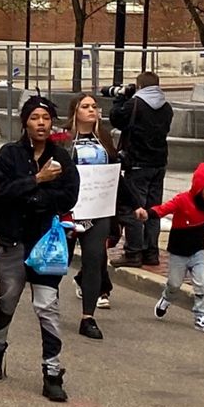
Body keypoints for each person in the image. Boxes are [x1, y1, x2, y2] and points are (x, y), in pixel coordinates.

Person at [0, 96, 80, 403]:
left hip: (47, 243)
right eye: (35, 117)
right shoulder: (9, 155)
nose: (42, 123)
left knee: (47, 306)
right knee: (8, 297)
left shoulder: (62, 157)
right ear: (25, 122)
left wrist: (34, 196)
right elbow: (2, 191)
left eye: (47, 118)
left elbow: (68, 196)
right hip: (13, 241)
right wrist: (38, 180)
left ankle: (52, 372)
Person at [135, 163, 204, 333]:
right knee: (175, 283)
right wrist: (148, 213)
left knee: (202, 282)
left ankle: (201, 316)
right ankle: (166, 298)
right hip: (178, 251)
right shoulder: (183, 200)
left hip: (198, 250)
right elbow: (164, 209)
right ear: (199, 189)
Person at [62, 93, 117, 341]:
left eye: (94, 106)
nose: (91, 110)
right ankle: (47, 303)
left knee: (95, 259)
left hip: (98, 208)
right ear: (75, 111)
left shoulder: (103, 138)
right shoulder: (64, 138)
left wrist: (134, 204)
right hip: (69, 209)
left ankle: (88, 317)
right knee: (58, 260)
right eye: (85, 106)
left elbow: (115, 172)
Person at [110, 71, 173, 267]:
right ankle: (151, 253)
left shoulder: (134, 104)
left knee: (134, 209)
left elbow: (115, 118)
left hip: (137, 163)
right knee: (153, 210)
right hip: (159, 163)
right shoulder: (166, 107)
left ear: (139, 86)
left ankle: (133, 253)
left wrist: (120, 98)